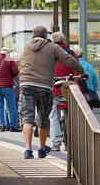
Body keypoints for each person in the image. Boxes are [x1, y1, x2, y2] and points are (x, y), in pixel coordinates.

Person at [17, 25, 82, 160]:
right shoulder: (52, 47)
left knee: (27, 118)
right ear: (46, 36)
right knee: (43, 118)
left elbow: (20, 61)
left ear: (33, 36)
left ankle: (28, 150)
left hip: (26, 84)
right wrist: (82, 71)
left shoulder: (25, 46)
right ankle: (41, 149)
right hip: (44, 86)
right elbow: (68, 59)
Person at [49, 31, 85, 150]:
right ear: (64, 41)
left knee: (53, 115)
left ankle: (56, 142)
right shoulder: (71, 53)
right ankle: (71, 142)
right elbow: (76, 69)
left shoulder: (49, 53)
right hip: (68, 88)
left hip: (54, 87)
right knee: (71, 114)